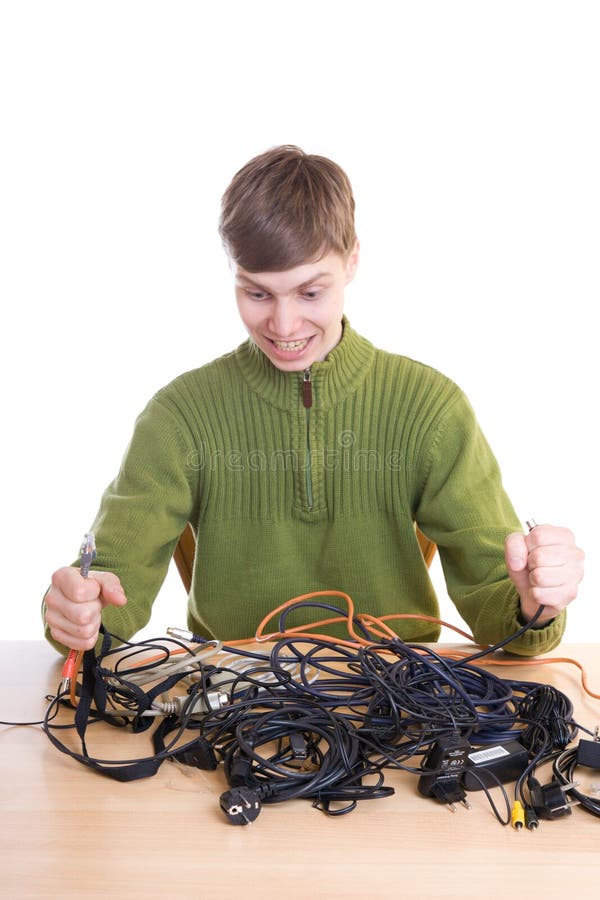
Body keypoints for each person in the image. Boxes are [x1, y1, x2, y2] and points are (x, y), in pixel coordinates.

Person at [43, 145, 584, 658]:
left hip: (400, 702)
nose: (283, 326)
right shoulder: (180, 416)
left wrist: (533, 605)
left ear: (352, 262)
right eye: (256, 292)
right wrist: (78, 614)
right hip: (233, 706)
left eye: (309, 292)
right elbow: (109, 591)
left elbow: (505, 616)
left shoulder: (431, 408)